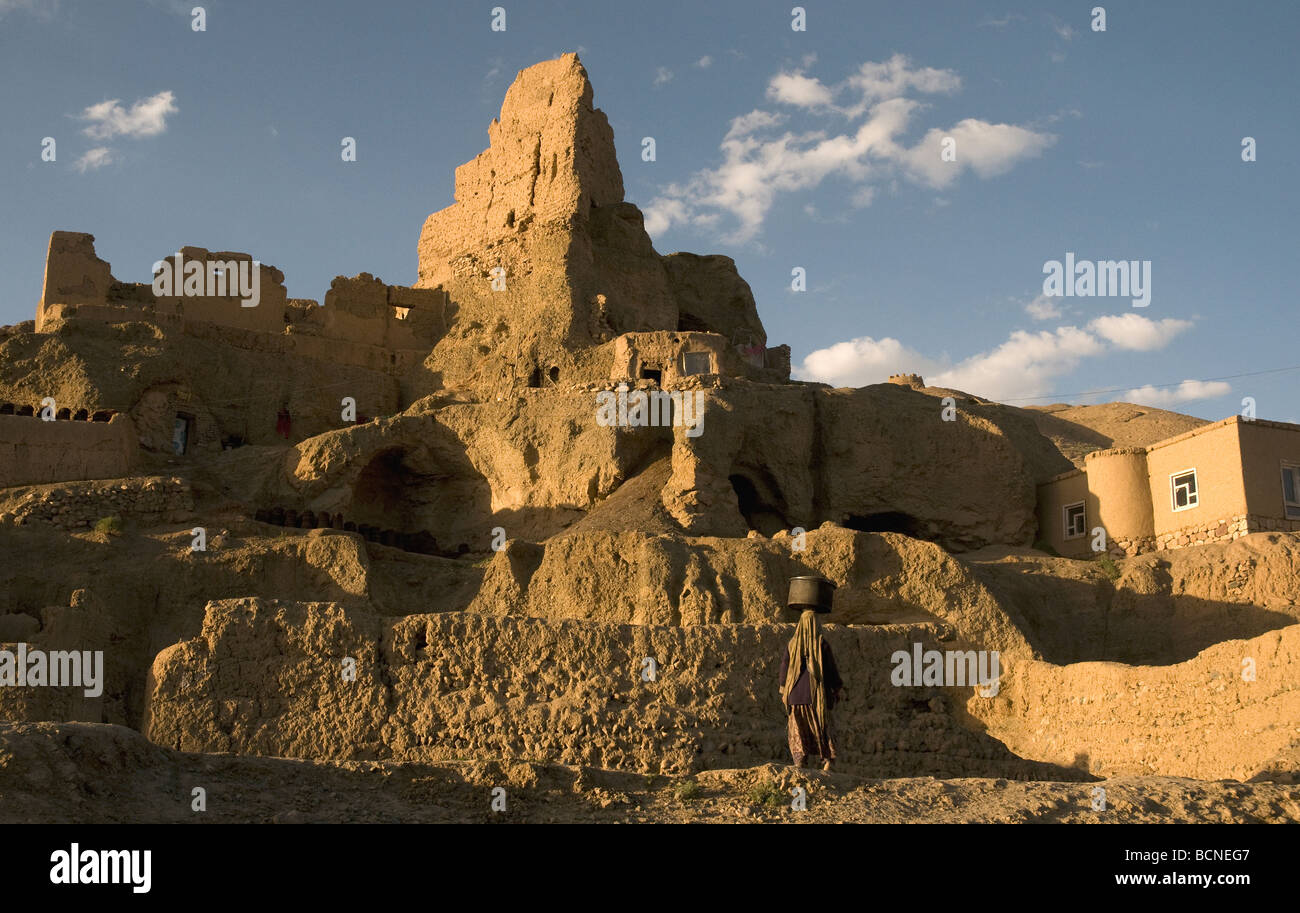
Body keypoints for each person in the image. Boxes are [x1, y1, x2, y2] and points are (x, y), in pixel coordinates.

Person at [779, 609, 843, 771]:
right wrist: (837, 688)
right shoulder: (821, 643)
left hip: (795, 697)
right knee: (823, 726)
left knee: (798, 731)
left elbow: (784, 670)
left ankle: (800, 762)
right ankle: (828, 761)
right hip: (817, 697)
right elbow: (830, 670)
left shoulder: (792, 644)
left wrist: (783, 689)